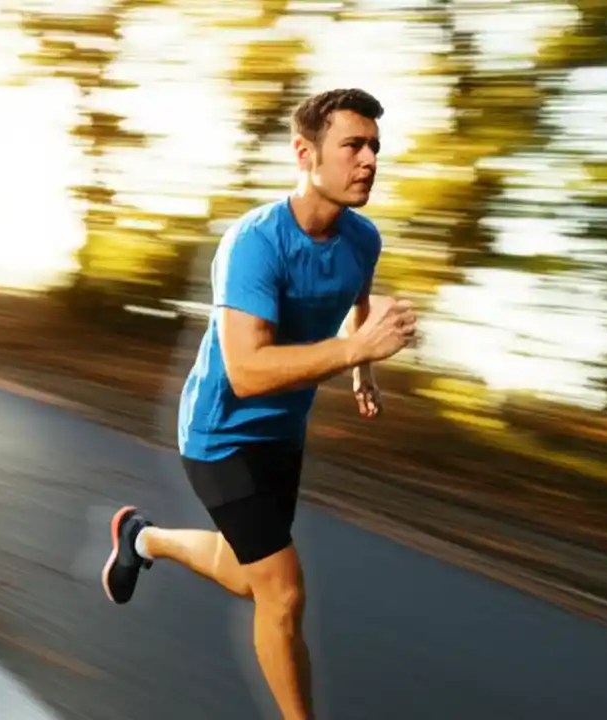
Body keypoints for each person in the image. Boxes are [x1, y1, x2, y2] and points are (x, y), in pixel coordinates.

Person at [99, 87, 415, 720]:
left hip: (283, 435)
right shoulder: (254, 244)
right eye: (353, 145)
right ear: (305, 153)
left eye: (375, 147)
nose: (369, 161)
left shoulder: (363, 240)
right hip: (220, 434)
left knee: (249, 575)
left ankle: (142, 538)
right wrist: (354, 350)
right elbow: (245, 372)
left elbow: (359, 300)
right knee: (282, 592)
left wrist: (364, 369)